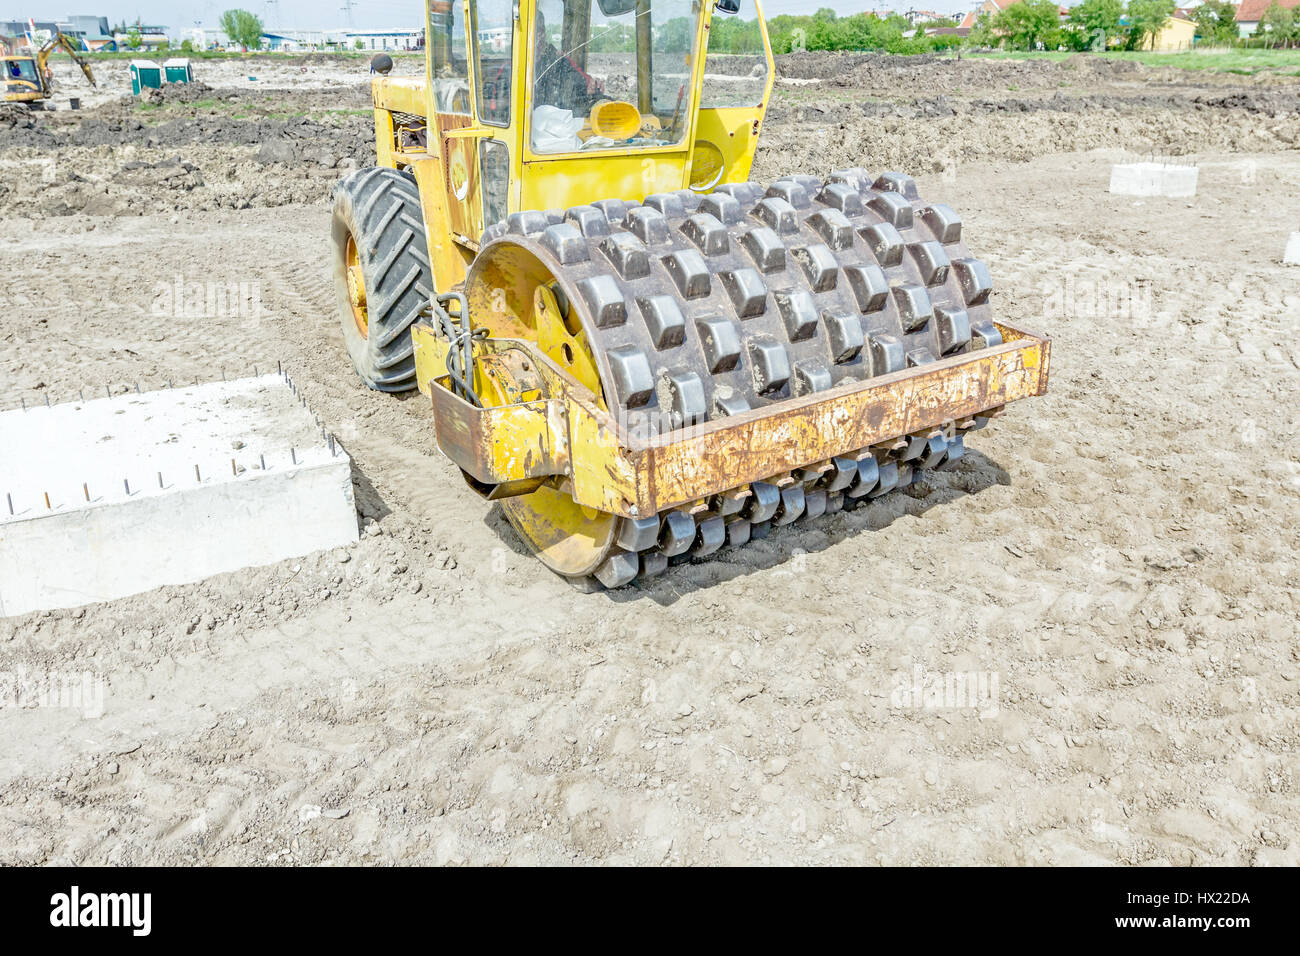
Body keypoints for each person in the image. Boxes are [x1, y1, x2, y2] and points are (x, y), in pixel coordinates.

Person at [532, 8, 602, 112]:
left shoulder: (559, 61)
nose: (540, 36)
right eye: (536, 31)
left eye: (542, 30)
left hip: (552, 122)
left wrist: (591, 84)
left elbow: (579, 78)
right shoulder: (512, 65)